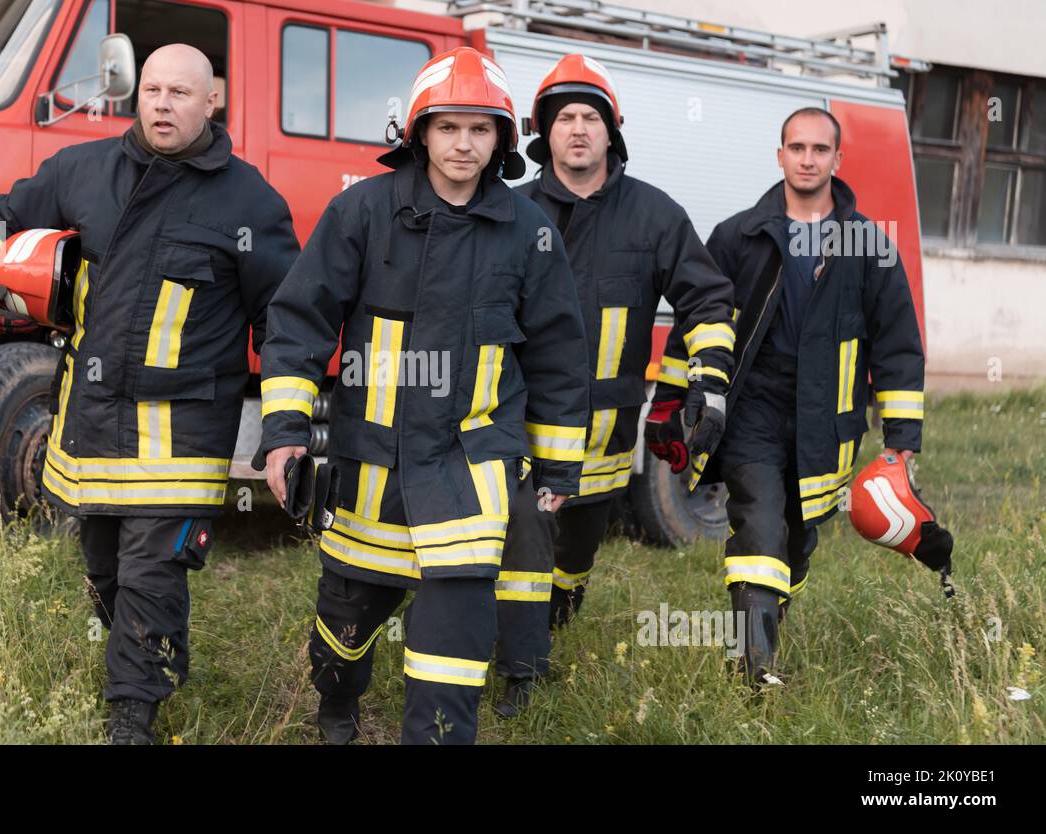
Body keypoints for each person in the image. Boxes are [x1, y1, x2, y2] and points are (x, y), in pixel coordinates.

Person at [0, 45, 300, 742]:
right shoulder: (80, 170)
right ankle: (153, 659)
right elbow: (2, 217)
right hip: (90, 422)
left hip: (182, 434)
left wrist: (286, 425)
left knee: (152, 572)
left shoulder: (251, 203)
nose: (162, 104)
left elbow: (286, 320)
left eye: (180, 93)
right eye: (152, 90)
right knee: (106, 571)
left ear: (212, 103)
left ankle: (132, 714)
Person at [257, 47, 589, 744]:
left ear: (502, 139)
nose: (464, 144)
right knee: (343, 635)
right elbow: (299, 320)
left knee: (452, 652)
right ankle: (337, 704)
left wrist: (558, 468)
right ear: (419, 133)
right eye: (448, 128)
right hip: (372, 467)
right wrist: (285, 430)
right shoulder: (361, 211)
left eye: (480, 129)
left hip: (473, 468)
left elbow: (558, 356)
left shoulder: (529, 232)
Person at [495, 54, 735, 716]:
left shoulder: (654, 216)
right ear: (544, 131)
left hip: (606, 438)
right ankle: (519, 672)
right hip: (522, 429)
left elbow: (708, 300)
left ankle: (555, 616)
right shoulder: (512, 212)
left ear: (611, 131)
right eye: (565, 118)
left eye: (590, 118)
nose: (578, 129)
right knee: (524, 541)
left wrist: (706, 385)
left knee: (574, 556)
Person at [698, 107, 925, 684]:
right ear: (780, 156)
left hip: (826, 417)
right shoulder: (738, 236)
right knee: (760, 526)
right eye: (796, 148)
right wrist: (686, 401)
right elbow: (699, 319)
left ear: (837, 159)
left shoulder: (869, 245)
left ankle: (762, 626)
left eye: (819, 149)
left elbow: (897, 345)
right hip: (755, 406)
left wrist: (901, 440)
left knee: (797, 541)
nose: (807, 159)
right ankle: (755, 672)